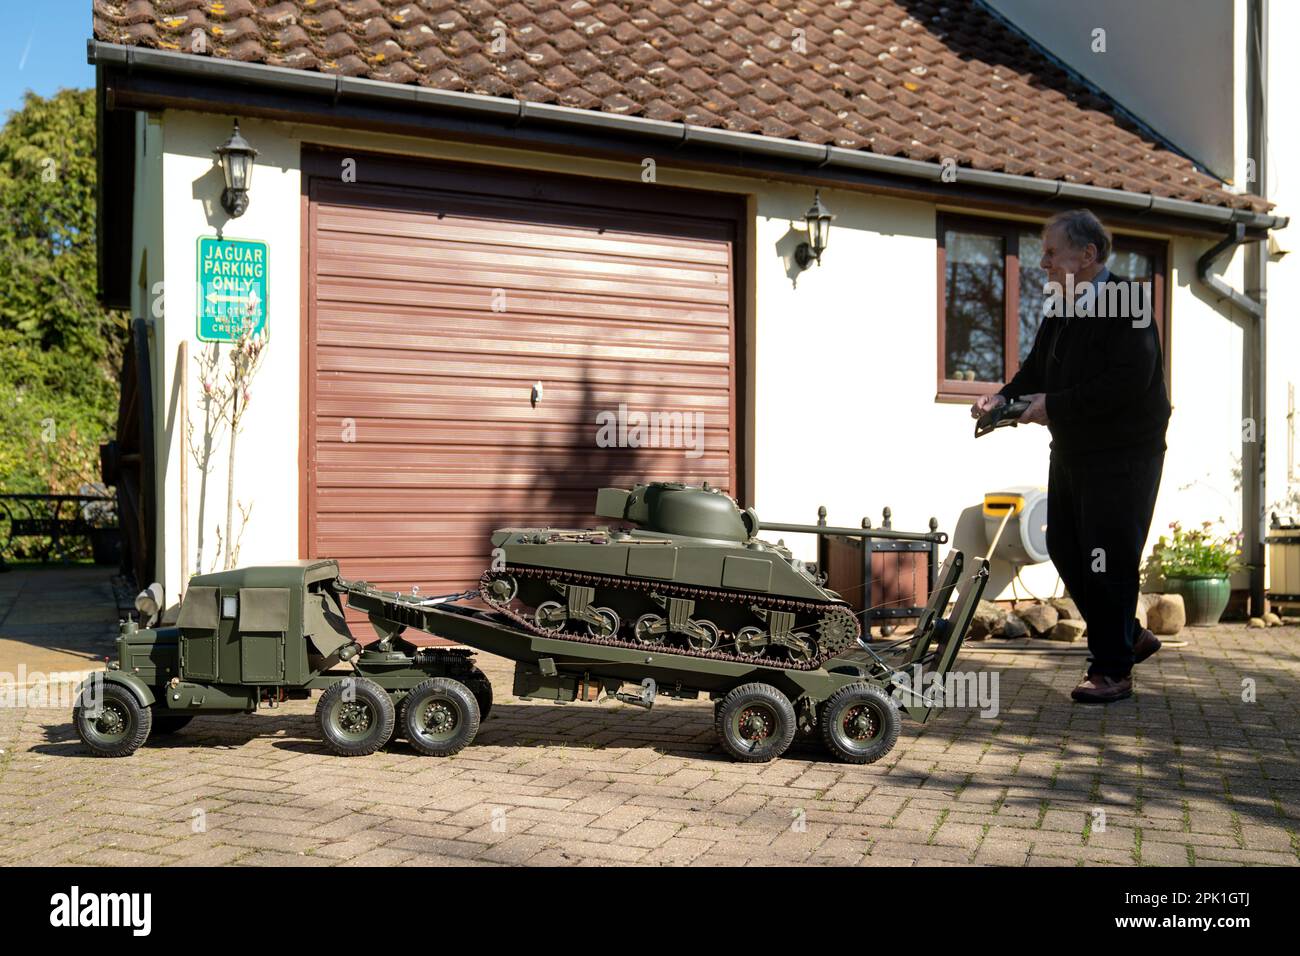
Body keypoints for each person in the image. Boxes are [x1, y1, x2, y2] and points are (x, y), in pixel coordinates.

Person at [971, 209, 1171, 703]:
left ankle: (1111, 670)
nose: (1042, 262)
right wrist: (1003, 398)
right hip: (1075, 448)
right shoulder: (1063, 305)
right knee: (1063, 545)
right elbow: (1038, 370)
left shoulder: (1130, 302)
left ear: (1087, 254)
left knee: (1108, 558)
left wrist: (1052, 406)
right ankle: (1128, 633)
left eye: (1050, 251)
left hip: (1124, 453)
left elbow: (1128, 381)